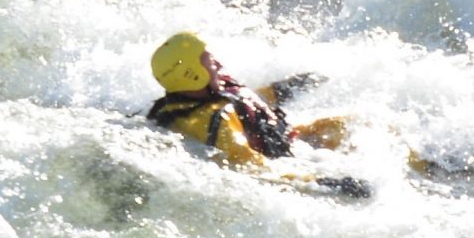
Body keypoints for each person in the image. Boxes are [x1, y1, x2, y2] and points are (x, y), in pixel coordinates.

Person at [146, 31, 363, 194]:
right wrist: (320, 183)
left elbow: (246, 100)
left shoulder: (210, 89)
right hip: (288, 160)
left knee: (357, 123)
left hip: (292, 139)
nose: (219, 64)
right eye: (210, 61)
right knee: (348, 134)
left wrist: (285, 88)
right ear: (192, 74)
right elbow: (253, 166)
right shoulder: (214, 121)